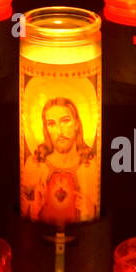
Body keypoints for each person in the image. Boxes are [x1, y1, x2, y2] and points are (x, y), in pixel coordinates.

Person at [21, 96, 98, 224]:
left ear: (76, 124)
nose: (59, 131)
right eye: (51, 124)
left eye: (65, 121)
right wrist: (34, 207)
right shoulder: (34, 164)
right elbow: (24, 212)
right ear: (46, 129)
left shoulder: (92, 165)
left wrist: (91, 211)